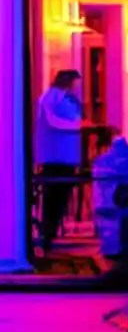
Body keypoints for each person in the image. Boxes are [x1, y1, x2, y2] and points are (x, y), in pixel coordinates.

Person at [35, 70, 84, 255]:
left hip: (66, 156)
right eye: (76, 82)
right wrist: (77, 126)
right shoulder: (51, 97)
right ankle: (47, 234)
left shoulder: (67, 98)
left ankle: (52, 233)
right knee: (53, 196)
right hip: (55, 156)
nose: (77, 86)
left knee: (62, 195)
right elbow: (52, 121)